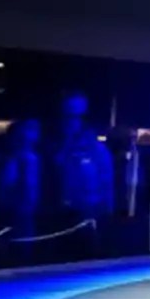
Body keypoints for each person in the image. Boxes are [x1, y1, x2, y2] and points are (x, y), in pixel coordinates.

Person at [45, 91, 114, 259]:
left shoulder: (95, 147)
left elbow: (106, 178)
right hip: (57, 212)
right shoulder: (49, 145)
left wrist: (107, 206)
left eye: (77, 116)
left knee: (87, 254)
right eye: (68, 115)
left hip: (88, 211)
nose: (72, 121)